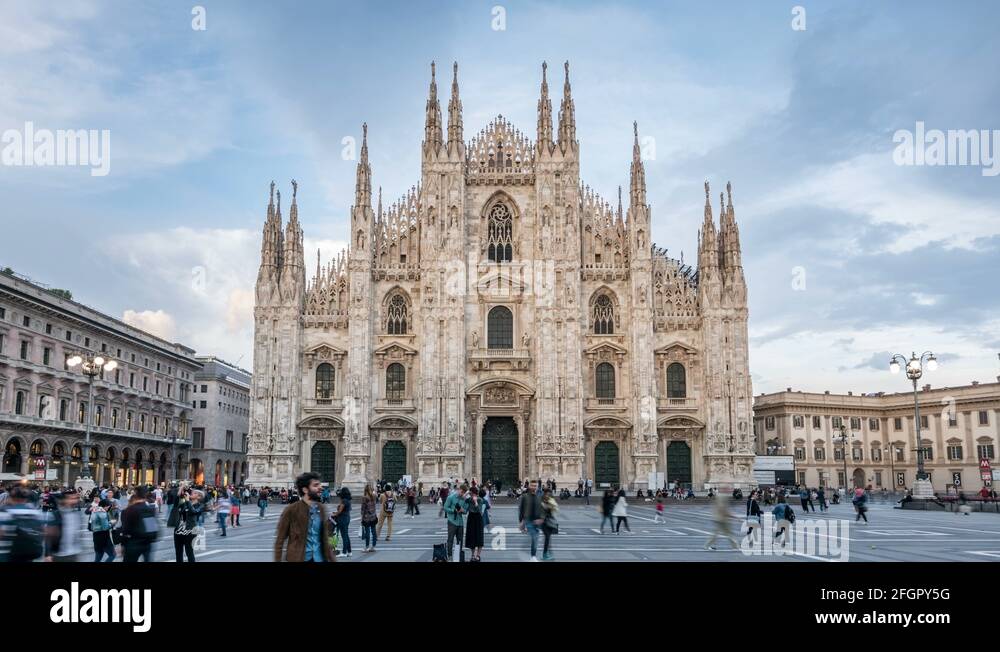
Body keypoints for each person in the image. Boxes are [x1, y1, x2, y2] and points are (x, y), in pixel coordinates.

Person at [273, 472, 336, 562]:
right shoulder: (291, 510)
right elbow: (280, 540)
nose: (320, 488)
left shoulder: (321, 508)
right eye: (315, 485)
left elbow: (324, 539)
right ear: (305, 490)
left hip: (319, 558)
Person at [0, 486, 46, 562]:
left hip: (6, 554)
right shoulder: (35, 512)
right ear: (26, 499)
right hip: (28, 553)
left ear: (11, 498)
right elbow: (44, 532)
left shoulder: (5, 511)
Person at [121, 487, 158, 562]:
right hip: (147, 543)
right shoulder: (149, 508)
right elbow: (152, 527)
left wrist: (123, 544)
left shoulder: (130, 509)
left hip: (133, 542)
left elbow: (125, 529)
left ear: (135, 494)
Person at [168, 489, 204, 562]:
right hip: (179, 530)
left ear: (199, 497)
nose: (192, 493)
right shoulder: (184, 503)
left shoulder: (200, 506)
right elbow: (176, 502)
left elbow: (193, 512)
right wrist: (181, 488)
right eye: (192, 492)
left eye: (195, 493)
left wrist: (187, 501)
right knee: (178, 553)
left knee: (189, 552)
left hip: (190, 531)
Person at [518, 480, 544, 562]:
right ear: (529, 486)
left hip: (537, 521)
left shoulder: (539, 496)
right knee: (534, 537)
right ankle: (533, 556)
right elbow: (521, 509)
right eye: (532, 485)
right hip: (528, 520)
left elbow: (543, 509)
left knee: (534, 538)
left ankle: (532, 555)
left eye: (535, 486)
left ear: (537, 487)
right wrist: (521, 522)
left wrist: (542, 519)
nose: (534, 487)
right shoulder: (524, 496)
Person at [444, 483, 469, 560]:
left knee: (460, 540)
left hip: (460, 522)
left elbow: (465, 511)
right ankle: (450, 555)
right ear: (459, 490)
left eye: (463, 493)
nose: (462, 494)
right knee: (450, 539)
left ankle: (458, 554)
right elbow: (445, 507)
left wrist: (463, 510)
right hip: (452, 521)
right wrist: (453, 510)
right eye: (461, 492)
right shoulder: (451, 497)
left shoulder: (464, 499)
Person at [88, 498, 117, 562]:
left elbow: (90, 527)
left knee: (98, 557)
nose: (108, 508)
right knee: (113, 555)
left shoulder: (94, 511)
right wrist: (112, 523)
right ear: (105, 505)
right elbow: (105, 527)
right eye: (108, 507)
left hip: (96, 537)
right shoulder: (103, 513)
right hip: (104, 538)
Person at [465, 486, 485, 561]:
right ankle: (472, 555)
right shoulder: (469, 499)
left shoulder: (480, 499)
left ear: (474, 493)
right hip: (471, 518)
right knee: (472, 537)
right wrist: (466, 493)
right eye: (470, 493)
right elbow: (462, 499)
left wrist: (476, 501)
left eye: (471, 493)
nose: (470, 495)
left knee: (479, 537)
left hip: (478, 518)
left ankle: (478, 555)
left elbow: (479, 510)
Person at [332, 487, 353, 558]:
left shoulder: (344, 501)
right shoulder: (348, 500)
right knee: (346, 535)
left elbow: (340, 511)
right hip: (347, 517)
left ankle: (344, 552)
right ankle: (349, 551)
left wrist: (334, 514)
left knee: (344, 536)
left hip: (342, 519)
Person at [540, 487, 559, 561]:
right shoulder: (541, 501)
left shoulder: (551, 500)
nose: (548, 495)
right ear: (544, 494)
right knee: (547, 538)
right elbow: (540, 511)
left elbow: (555, 510)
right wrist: (546, 506)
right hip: (544, 522)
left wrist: (552, 507)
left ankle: (548, 553)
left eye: (549, 494)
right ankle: (545, 555)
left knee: (548, 539)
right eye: (547, 494)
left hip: (550, 522)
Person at [360, 484, 378, 553]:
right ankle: (373, 546)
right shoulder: (374, 496)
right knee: (374, 532)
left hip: (367, 518)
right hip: (373, 516)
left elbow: (363, 509)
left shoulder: (365, 497)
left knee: (367, 533)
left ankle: (367, 547)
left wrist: (361, 518)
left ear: (365, 490)